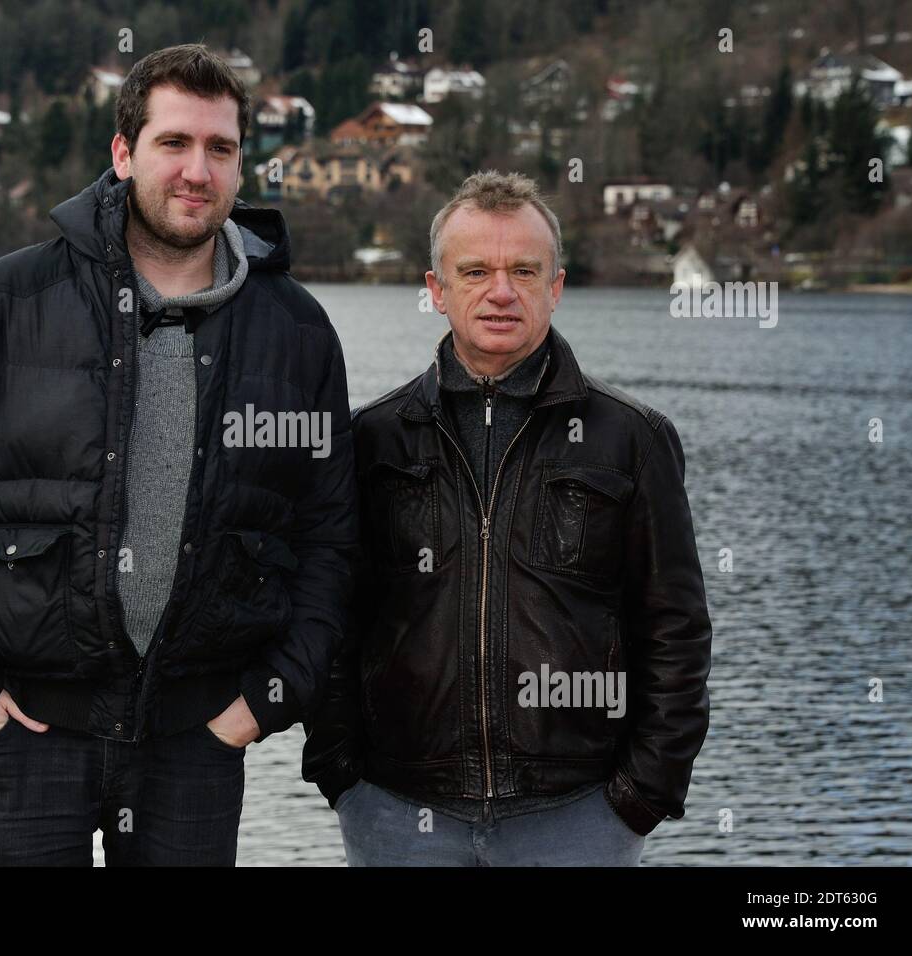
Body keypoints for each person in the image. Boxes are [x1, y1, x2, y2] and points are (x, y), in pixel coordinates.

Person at [0, 44, 356, 866]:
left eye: (221, 148)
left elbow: (333, 539)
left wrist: (264, 703)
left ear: (242, 166)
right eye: (174, 143)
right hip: (23, 733)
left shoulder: (297, 332)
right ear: (124, 153)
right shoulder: (6, 301)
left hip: (195, 742)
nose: (197, 170)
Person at [301, 169, 712, 866]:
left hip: (578, 812)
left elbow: (675, 628)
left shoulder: (632, 438)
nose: (500, 290)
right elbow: (331, 616)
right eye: (475, 270)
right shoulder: (371, 438)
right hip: (398, 809)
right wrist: (341, 771)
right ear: (435, 290)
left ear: (555, 287)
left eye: (525, 270)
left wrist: (646, 792)